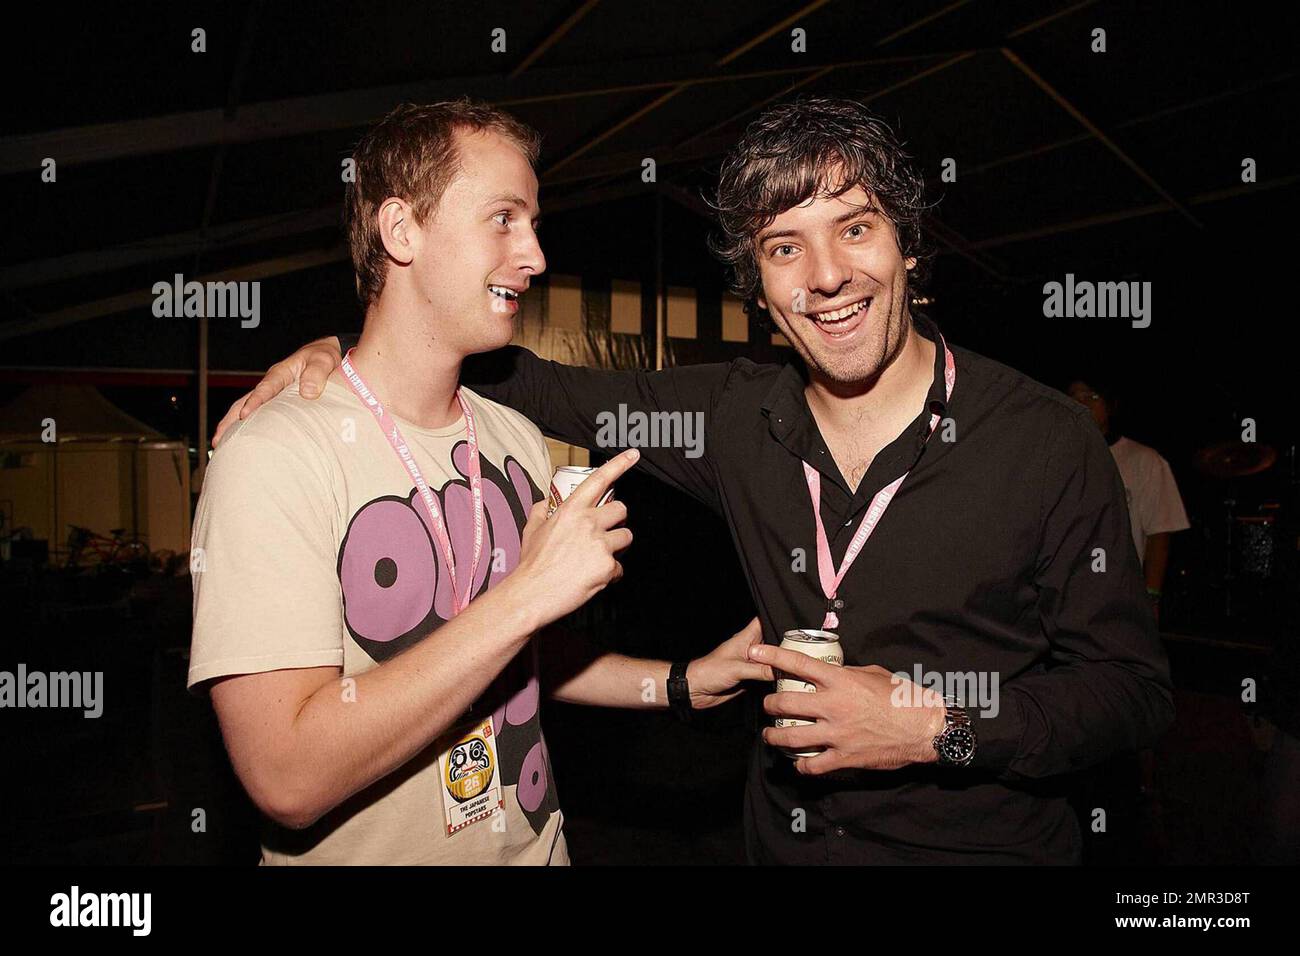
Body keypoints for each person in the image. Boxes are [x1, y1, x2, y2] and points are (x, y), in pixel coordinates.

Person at [220, 95, 1174, 864]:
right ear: (758, 288)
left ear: (909, 244)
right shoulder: (731, 416)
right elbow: (522, 374)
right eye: (785, 247)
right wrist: (332, 354)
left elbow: (1131, 693)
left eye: (856, 228)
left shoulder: (1045, 443)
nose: (830, 274)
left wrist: (937, 728)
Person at [189, 100, 766, 865]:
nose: (533, 255)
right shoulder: (274, 456)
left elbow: (515, 654)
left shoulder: (512, 436)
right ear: (402, 232)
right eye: (503, 218)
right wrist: (528, 592)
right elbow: (286, 778)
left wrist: (683, 682)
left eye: (532, 222)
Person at [1066, 376, 1190, 622]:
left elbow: (1159, 533)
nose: (1082, 404)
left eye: (1092, 397)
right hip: (1067, 595)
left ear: (1110, 405)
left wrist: (1152, 595)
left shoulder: (1145, 460)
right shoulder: (1056, 456)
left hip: (1120, 596)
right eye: (1075, 397)